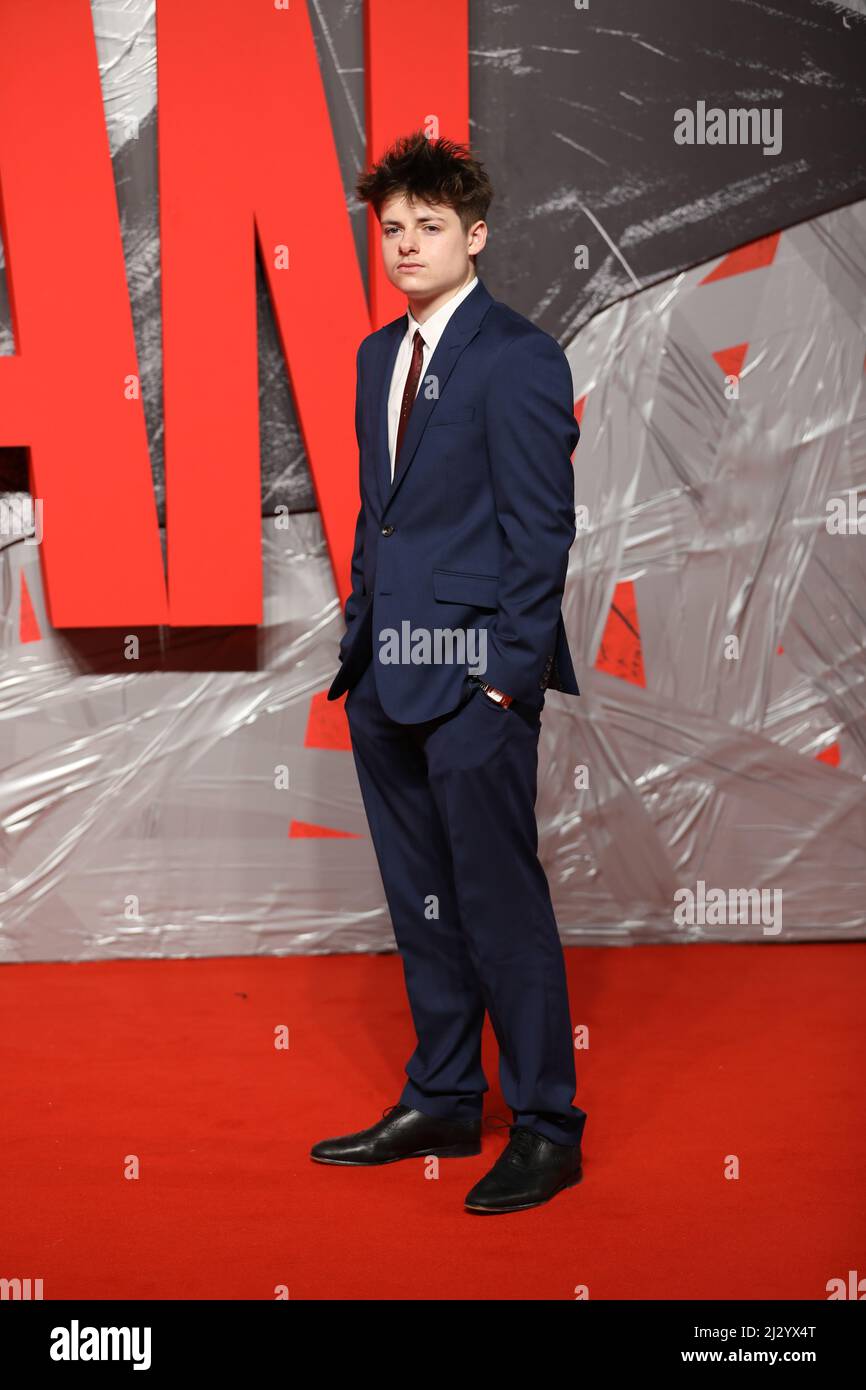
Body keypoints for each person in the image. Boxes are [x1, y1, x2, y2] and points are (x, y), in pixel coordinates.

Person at [312, 130, 586, 1214]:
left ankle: (549, 1123)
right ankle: (441, 1093)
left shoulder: (519, 357)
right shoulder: (378, 356)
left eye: (429, 226)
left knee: (496, 902)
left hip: (477, 686)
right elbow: (381, 518)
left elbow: (541, 532)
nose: (407, 244)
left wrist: (503, 686)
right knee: (421, 905)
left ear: (474, 236)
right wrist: (359, 638)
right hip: (384, 680)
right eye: (392, 228)